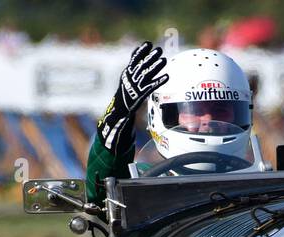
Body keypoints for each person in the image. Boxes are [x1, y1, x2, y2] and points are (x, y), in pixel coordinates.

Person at [86, 43, 254, 203]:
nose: (208, 121)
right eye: (194, 111)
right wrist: (117, 115)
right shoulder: (142, 181)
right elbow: (101, 195)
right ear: (156, 114)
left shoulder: (259, 180)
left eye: (221, 111)